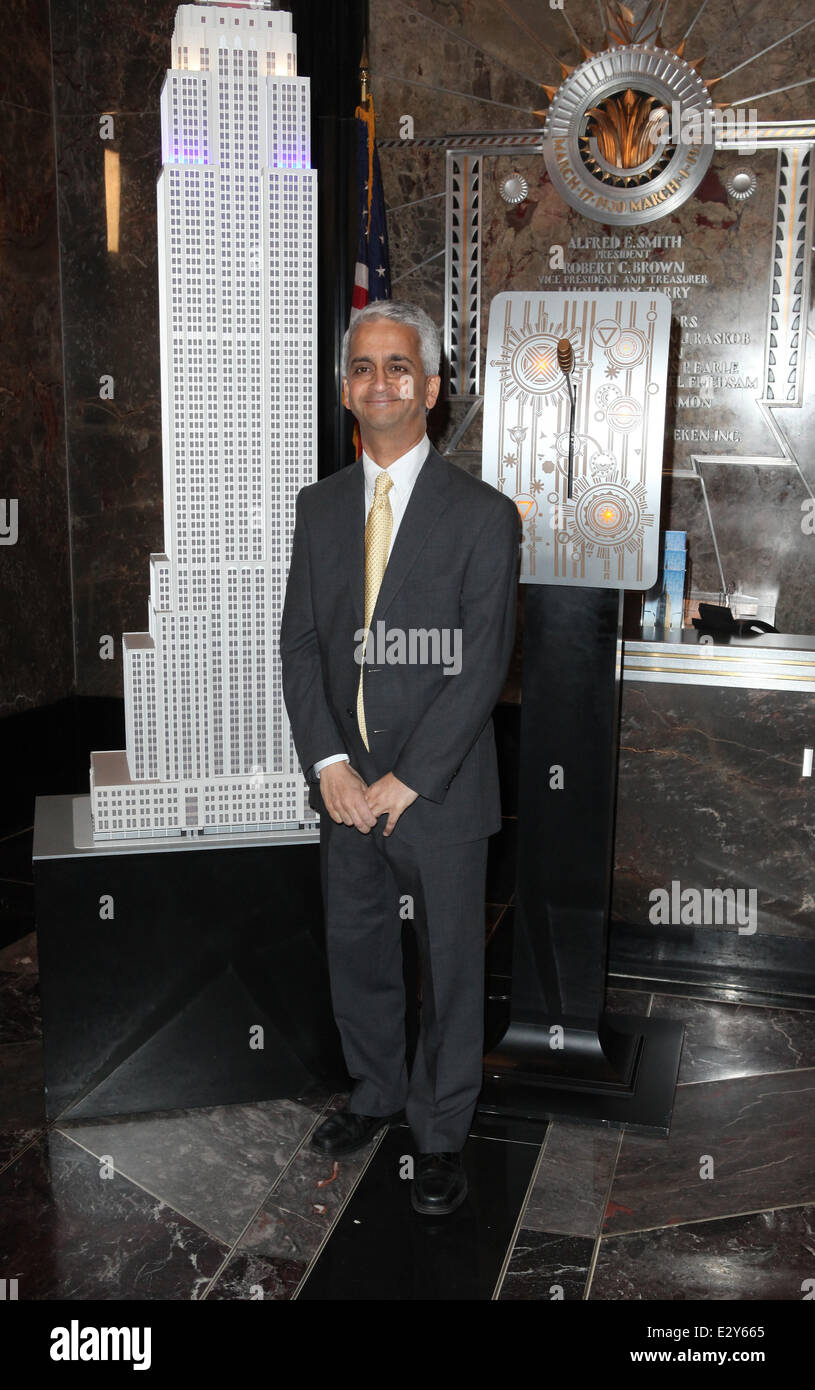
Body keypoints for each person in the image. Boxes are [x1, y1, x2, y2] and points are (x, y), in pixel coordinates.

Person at [280, 300, 520, 1215]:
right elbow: (302, 646)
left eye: (396, 367)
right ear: (346, 387)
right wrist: (331, 765)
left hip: (440, 792)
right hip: (344, 791)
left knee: (451, 967)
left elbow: (481, 662)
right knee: (360, 950)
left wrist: (404, 780)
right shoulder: (319, 507)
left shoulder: (483, 515)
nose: (377, 382)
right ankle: (375, 1093)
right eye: (361, 367)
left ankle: (442, 1131)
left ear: (429, 387)